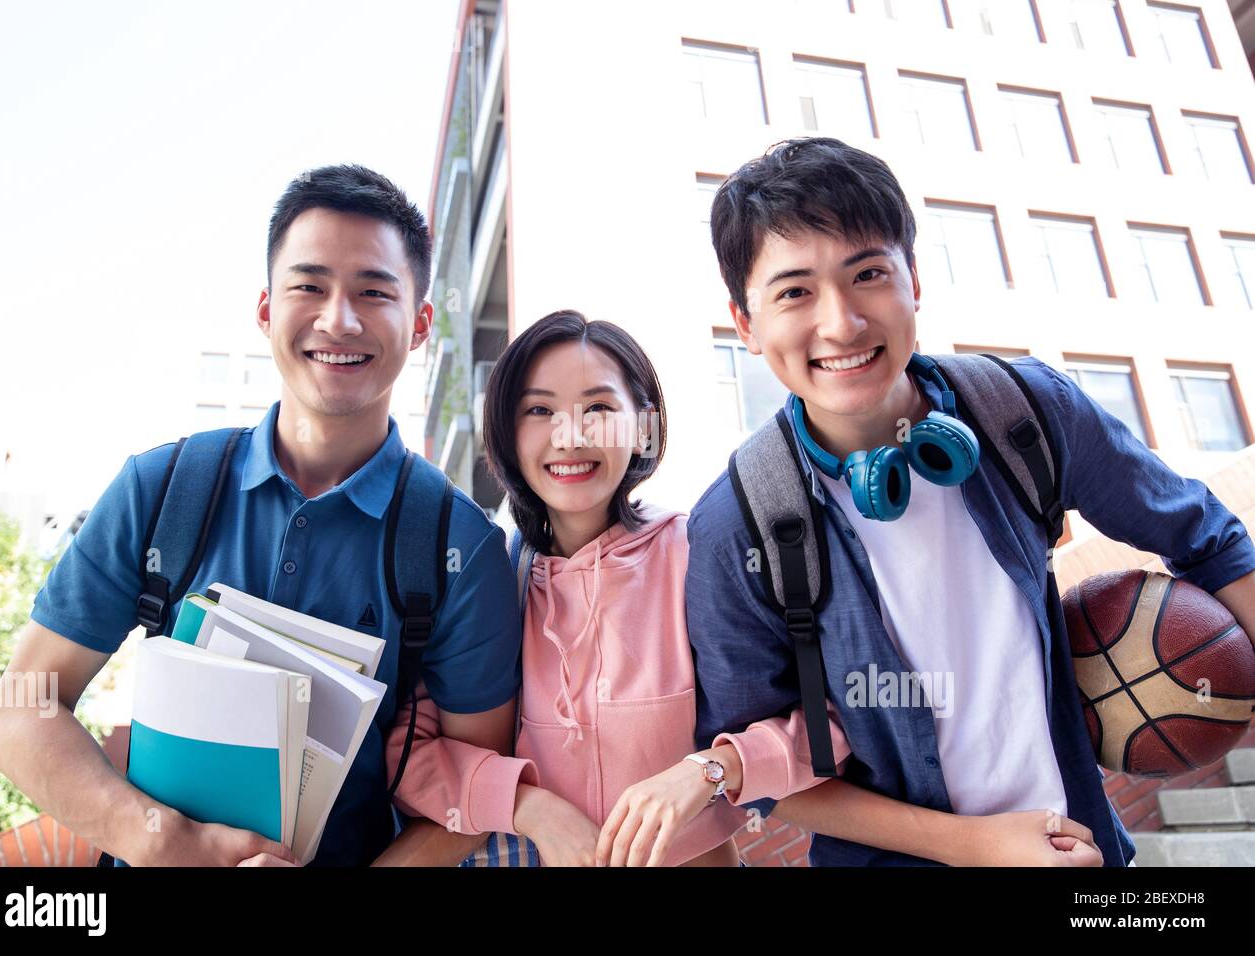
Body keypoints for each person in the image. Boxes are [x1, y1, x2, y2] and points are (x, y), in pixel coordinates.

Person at [682, 137, 1255, 866]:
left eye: (868, 274)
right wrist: (976, 846)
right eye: (794, 291)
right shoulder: (737, 522)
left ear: (913, 279)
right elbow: (765, 777)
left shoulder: (1023, 411)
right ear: (745, 323)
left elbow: (1210, 539)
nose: (842, 323)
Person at [381, 310, 1107, 867]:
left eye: (599, 407)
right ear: (507, 435)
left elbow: (831, 719)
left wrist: (713, 768)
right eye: (538, 411)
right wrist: (530, 806)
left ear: (645, 427)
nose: (568, 435)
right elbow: (412, 756)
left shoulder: (703, 548)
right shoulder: (483, 579)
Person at [0, 164, 523, 867]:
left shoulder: (460, 547)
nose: (339, 319)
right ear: (266, 309)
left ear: (420, 324)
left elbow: (474, 794)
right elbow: (22, 707)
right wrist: (156, 837)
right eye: (309, 286)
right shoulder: (161, 489)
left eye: (373, 291)